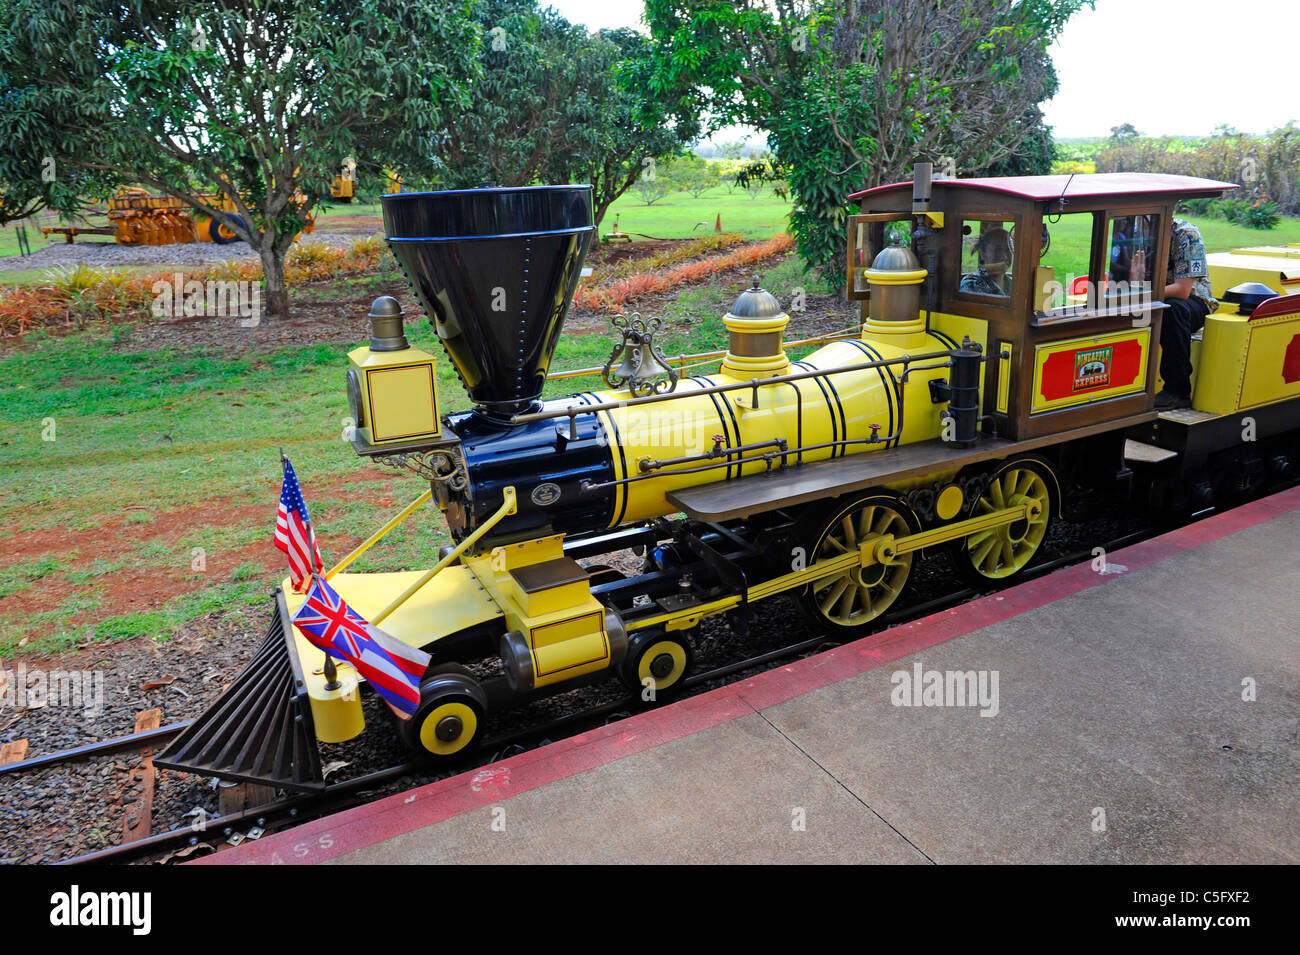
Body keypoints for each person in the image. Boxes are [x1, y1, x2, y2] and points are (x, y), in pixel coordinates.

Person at [1156, 217, 1217, 410]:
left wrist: (1143, 296)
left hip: (1194, 301)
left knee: (1172, 310)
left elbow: (1182, 290)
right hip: (1155, 296)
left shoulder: (1187, 234)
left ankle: (1178, 391)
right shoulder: (1139, 230)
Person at [959, 227, 1013, 297]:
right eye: (998, 249)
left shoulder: (1013, 284)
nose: (1004, 256)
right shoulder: (971, 286)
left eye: (1008, 250)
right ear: (982, 253)